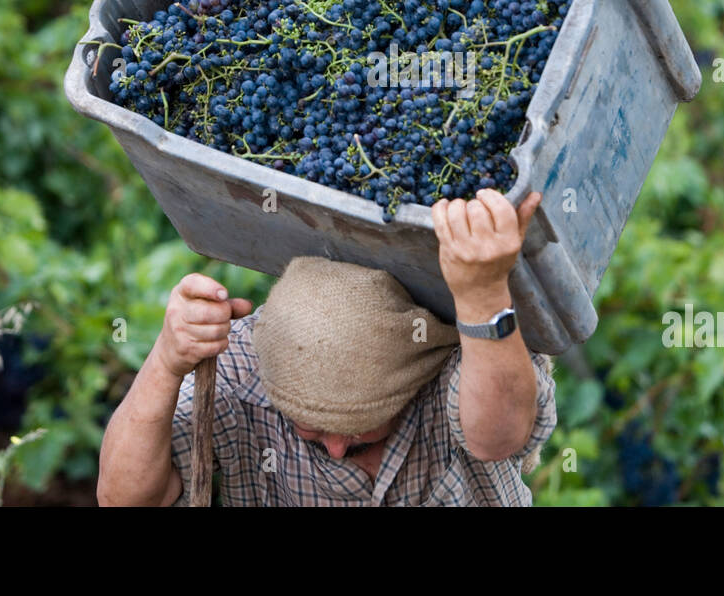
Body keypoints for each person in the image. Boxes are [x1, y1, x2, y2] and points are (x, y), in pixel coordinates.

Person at [97, 189, 557, 506]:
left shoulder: (460, 359)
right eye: (313, 429)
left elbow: (498, 438)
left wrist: (482, 295)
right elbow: (125, 500)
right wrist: (166, 361)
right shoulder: (246, 369)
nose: (336, 449)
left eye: (360, 427)